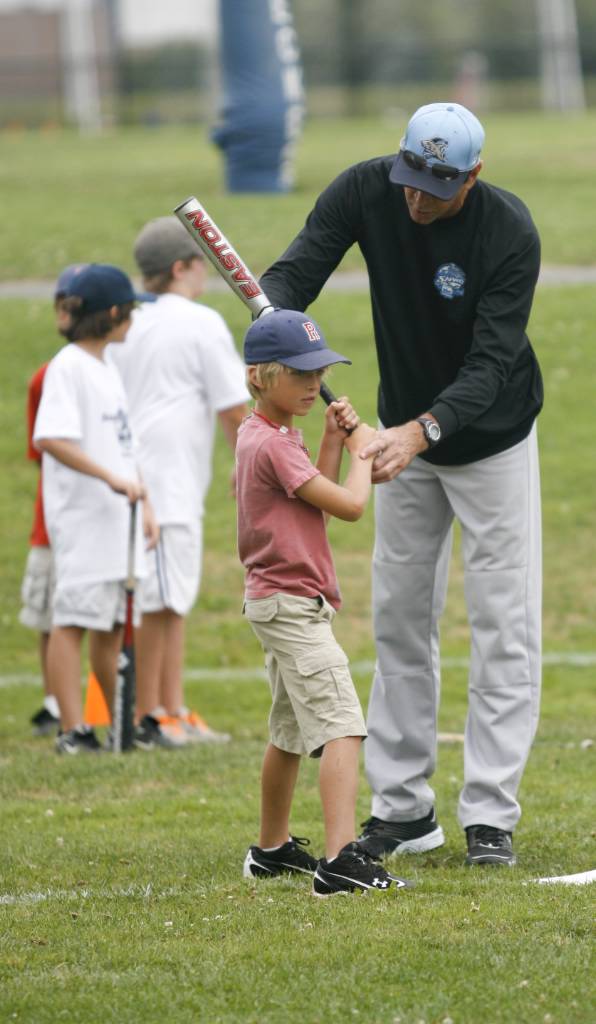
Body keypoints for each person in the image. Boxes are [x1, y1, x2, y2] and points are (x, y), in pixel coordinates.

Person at [260, 102, 543, 868]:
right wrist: (273, 319)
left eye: (438, 187)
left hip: (491, 439)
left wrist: (419, 433)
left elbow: (490, 365)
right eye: (411, 179)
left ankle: (490, 813)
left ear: (473, 175)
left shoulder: (508, 232)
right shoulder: (365, 190)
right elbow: (297, 269)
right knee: (398, 619)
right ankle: (404, 809)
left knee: (502, 625)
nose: (417, 198)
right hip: (397, 437)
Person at [238, 308, 411, 896]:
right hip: (291, 605)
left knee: (288, 731)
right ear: (260, 376)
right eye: (300, 374)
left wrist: (336, 441)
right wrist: (364, 452)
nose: (315, 383)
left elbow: (314, 499)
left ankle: (270, 849)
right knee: (342, 725)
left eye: (321, 371)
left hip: (280, 600)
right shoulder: (274, 446)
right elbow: (351, 506)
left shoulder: (270, 435)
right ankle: (340, 862)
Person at [110, 216, 250, 749]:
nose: (206, 277)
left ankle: (171, 707)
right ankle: (152, 715)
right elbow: (233, 409)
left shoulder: (126, 320)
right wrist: (252, 470)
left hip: (142, 478)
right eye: (201, 267)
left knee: (171, 599)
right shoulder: (200, 322)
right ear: (179, 268)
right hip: (168, 482)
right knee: (160, 601)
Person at [33, 263, 159, 754]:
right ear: (112, 314)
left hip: (119, 522)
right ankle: (72, 730)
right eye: (130, 311)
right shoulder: (69, 367)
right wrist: (110, 480)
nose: (134, 319)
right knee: (72, 621)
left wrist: (143, 501)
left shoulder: (106, 368)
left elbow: (124, 447)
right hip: (85, 520)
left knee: (110, 625)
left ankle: (118, 727)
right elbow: (51, 438)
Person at [20, 264, 88, 735]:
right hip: (56, 523)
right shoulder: (49, 377)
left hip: (93, 520)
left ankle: (91, 703)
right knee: (53, 614)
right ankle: (54, 702)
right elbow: (39, 452)